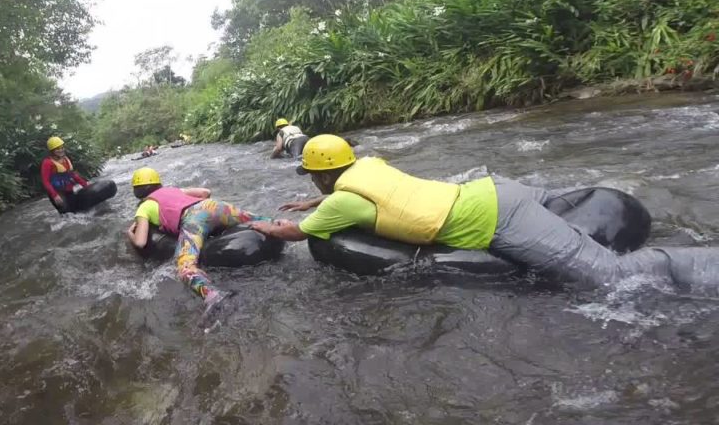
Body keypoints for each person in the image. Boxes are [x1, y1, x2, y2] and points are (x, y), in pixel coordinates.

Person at [250, 134, 719, 294]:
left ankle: (701, 265)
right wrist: (314, 201)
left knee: (610, 277)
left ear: (320, 175)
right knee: (578, 217)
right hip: (495, 189)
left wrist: (255, 223)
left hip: (498, 218)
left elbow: (293, 233)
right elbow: (357, 194)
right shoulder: (369, 167)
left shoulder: (339, 202)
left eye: (311, 179)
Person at [125, 167, 272, 318]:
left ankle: (213, 295)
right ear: (158, 183)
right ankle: (281, 227)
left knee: (185, 268)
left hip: (195, 220)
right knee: (261, 220)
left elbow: (141, 242)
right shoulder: (173, 190)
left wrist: (130, 234)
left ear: (137, 191)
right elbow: (205, 192)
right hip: (215, 206)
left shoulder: (144, 207)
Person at [41, 136, 90, 214]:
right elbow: (46, 182)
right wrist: (55, 195)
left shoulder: (65, 159)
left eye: (62, 148)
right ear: (52, 151)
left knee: (76, 212)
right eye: (57, 149)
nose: (61, 150)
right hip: (58, 193)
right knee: (67, 214)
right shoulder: (47, 163)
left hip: (69, 190)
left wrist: (85, 184)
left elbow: (72, 175)